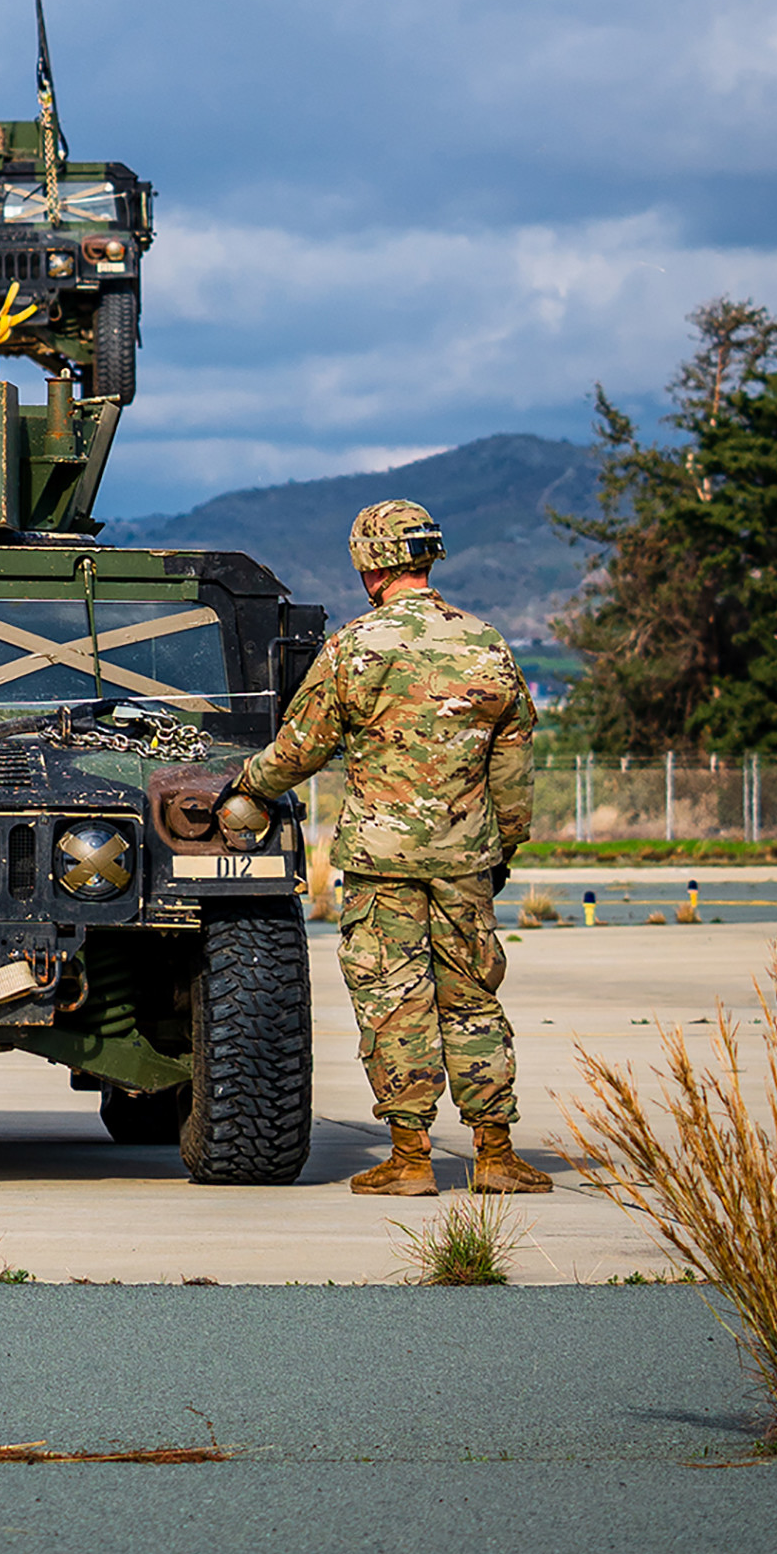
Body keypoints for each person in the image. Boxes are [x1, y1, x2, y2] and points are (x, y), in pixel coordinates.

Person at [233, 498, 549, 1198]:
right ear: (428, 556)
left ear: (369, 565)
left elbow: (302, 743)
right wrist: (503, 843)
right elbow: (514, 758)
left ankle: (410, 1159)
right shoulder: (486, 643)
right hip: (467, 859)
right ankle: (495, 1154)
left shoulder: (354, 647)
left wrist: (250, 787)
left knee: (393, 1003)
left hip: (383, 865)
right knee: (473, 1000)